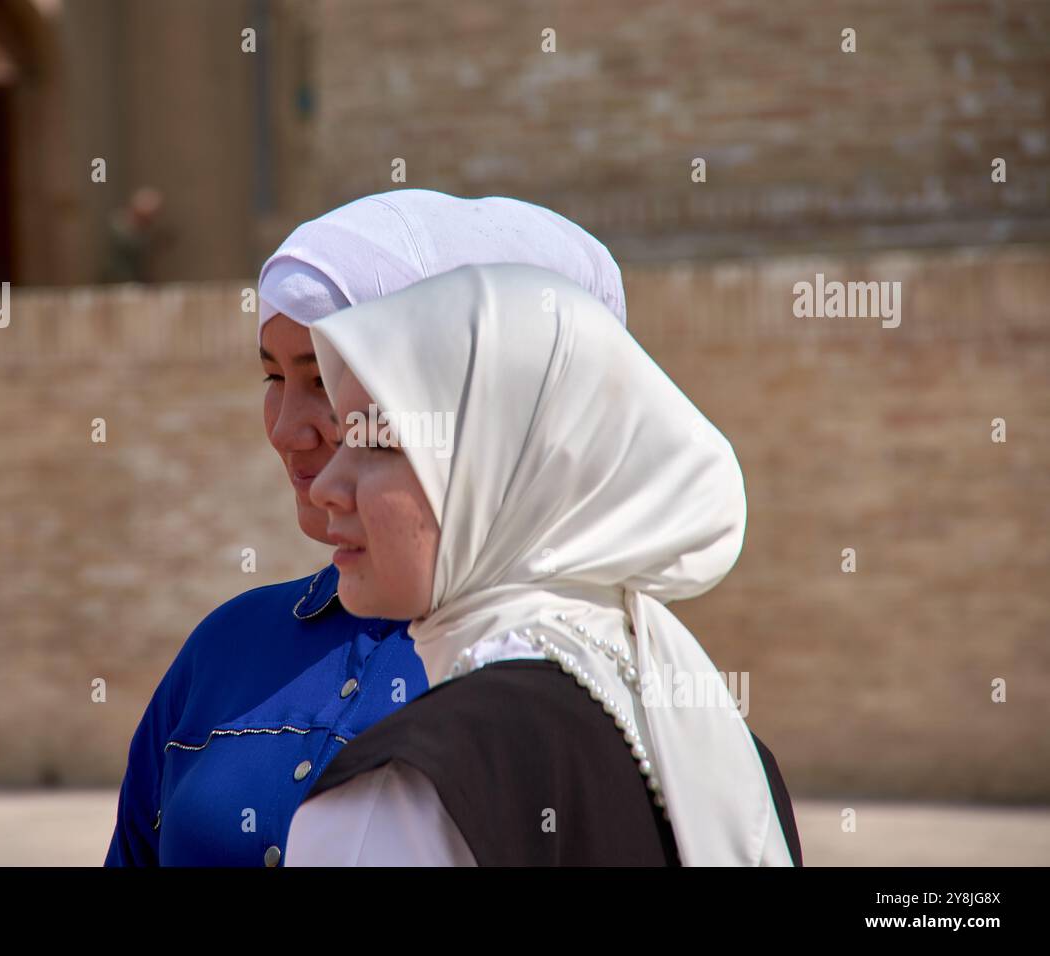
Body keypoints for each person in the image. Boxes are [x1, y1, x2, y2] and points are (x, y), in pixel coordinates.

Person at [104, 190, 631, 865]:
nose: (288, 430)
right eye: (272, 376)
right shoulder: (226, 652)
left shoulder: (580, 681)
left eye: (326, 381)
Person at [285, 263, 803, 866]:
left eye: (378, 443)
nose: (326, 485)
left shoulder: (407, 793)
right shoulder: (725, 760)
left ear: (507, 466)